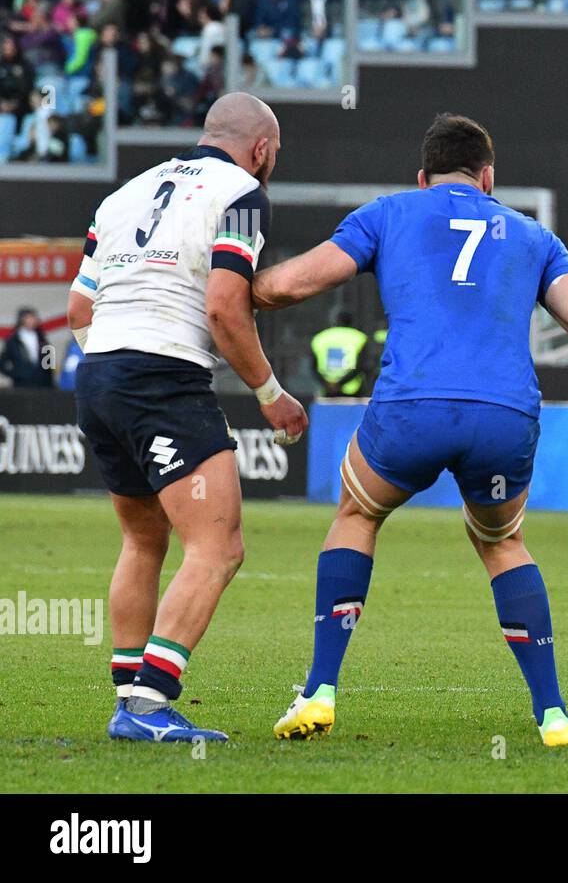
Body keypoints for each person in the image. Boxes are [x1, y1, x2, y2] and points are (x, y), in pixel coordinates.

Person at [252, 113, 568, 747]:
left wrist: (226, 286)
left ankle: (318, 691)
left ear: (423, 178)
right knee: (504, 544)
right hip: (503, 418)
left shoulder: (389, 213)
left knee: (357, 516)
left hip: (412, 409)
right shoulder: (534, 237)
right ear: (488, 178)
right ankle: (555, 715)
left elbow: (286, 287)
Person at [67, 92, 308, 742]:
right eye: (274, 156)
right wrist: (270, 395)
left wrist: (116, 371)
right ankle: (147, 705)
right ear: (261, 150)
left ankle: (130, 697)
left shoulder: (125, 195)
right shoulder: (241, 193)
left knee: (144, 539)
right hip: (163, 378)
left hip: (100, 375)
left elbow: (77, 311)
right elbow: (226, 309)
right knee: (218, 545)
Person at [309, 310, 370, 397]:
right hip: (352, 391)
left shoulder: (320, 338)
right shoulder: (359, 337)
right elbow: (361, 366)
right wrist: (340, 383)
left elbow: (313, 367)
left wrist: (328, 384)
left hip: (327, 390)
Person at [0, 307, 54, 387]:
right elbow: (2, 363)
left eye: (33, 318)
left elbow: (49, 363)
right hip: (22, 385)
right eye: (28, 318)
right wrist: (16, 374)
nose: (31, 321)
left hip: (42, 384)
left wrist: (48, 379)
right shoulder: (13, 340)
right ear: (21, 320)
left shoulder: (42, 338)